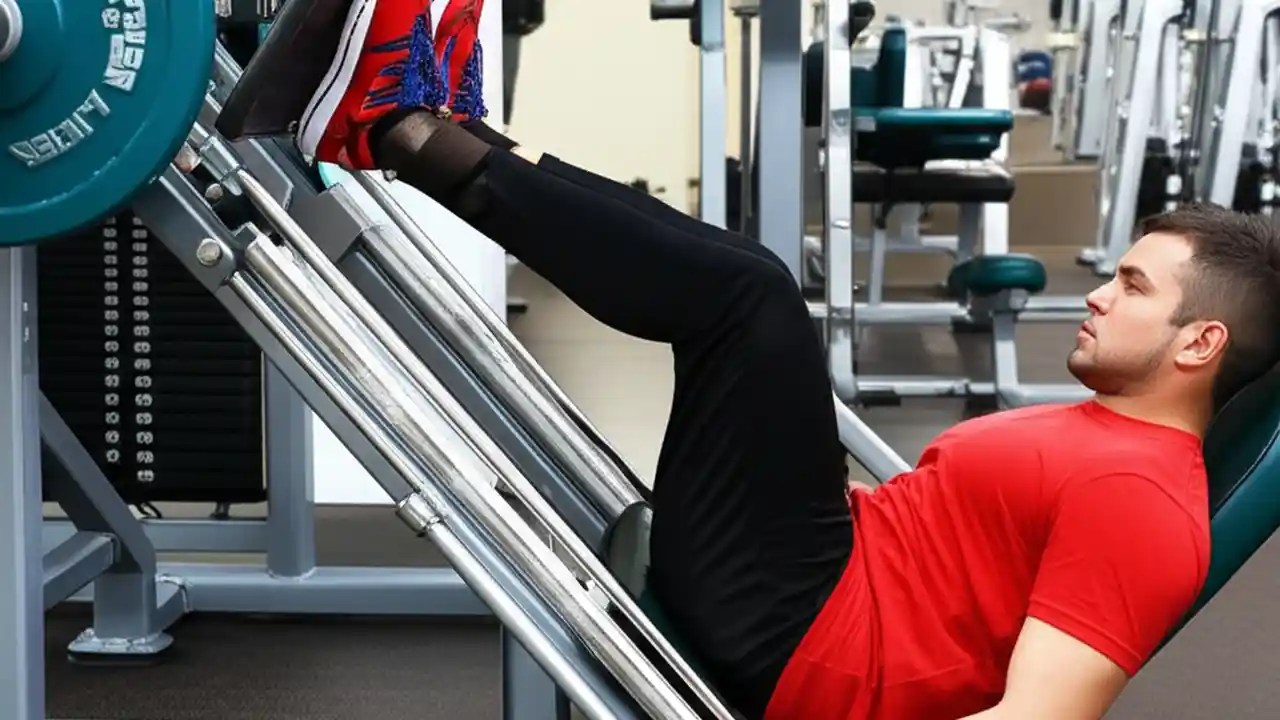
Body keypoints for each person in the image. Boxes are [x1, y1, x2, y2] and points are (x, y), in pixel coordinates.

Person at [237, 1, 1280, 717]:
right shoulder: (1105, 439)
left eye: (1132, 287)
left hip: (804, 641)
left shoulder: (1141, 503)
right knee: (749, 286)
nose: (1095, 292)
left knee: (749, 297)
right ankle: (424, 131)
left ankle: (407, 128)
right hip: (821, 583)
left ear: (1199, 343)